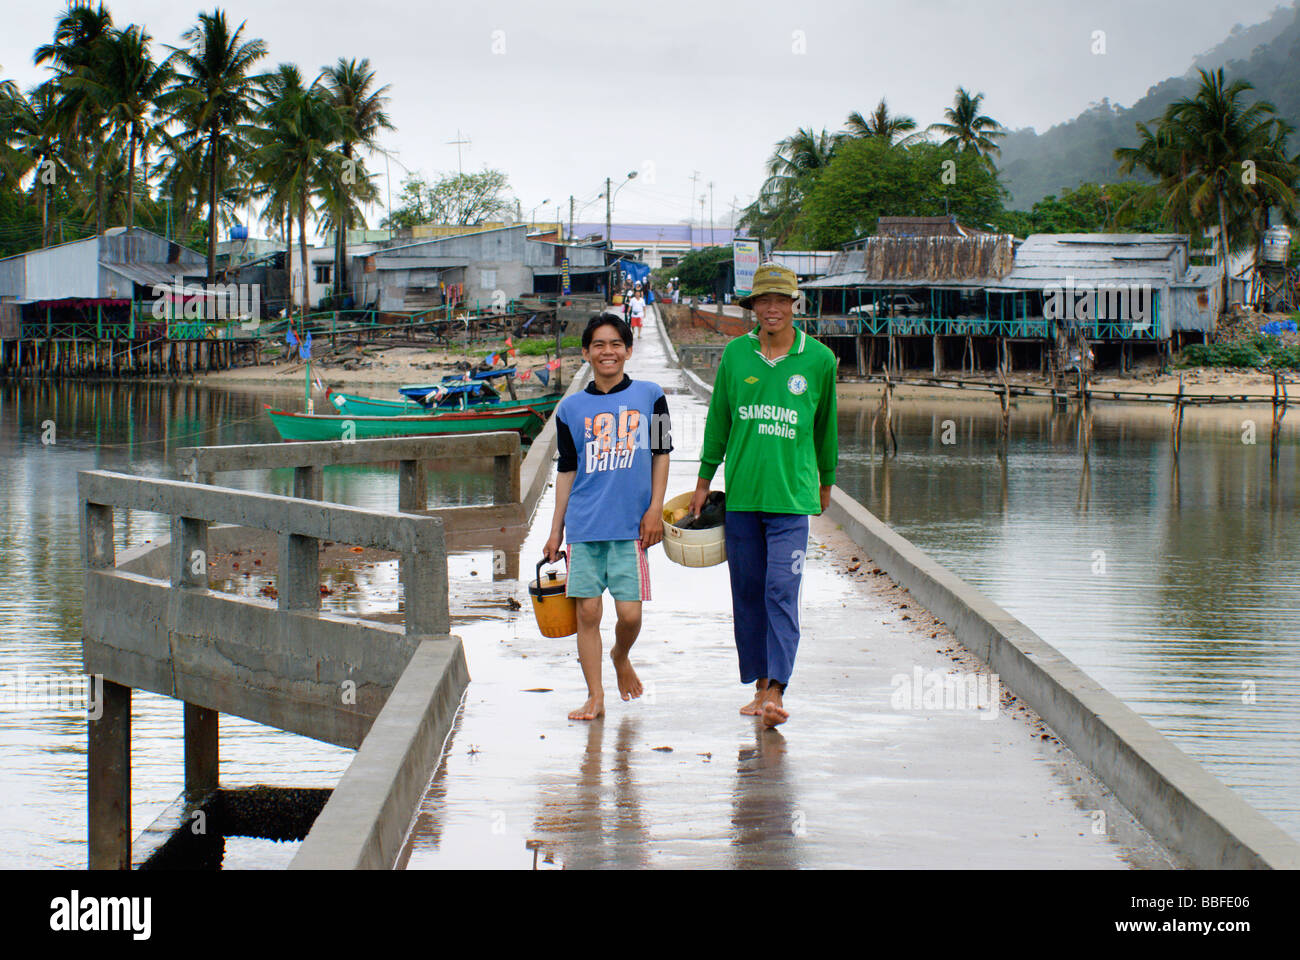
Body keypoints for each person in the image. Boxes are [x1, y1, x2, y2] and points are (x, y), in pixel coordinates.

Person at [691, 262, 837, 728]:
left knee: (781, 590)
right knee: (748, 593)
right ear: (752, 307)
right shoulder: (735, 355)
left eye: (781, 301)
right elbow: (719, 421)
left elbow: (826, 426)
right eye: (763, 301)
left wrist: (826, 480)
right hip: (742, 499)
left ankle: (777, 687)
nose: (772, 309)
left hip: (791, 500)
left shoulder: (819, 360)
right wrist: (703, 480)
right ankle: (758, 685)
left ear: (794, 305)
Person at [545, 313, 673, 720]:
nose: (607, 352)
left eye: (616, 344)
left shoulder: (652, 396)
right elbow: (566, 470)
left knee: (629, 614)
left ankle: (620, 654)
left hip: (631, 526)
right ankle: (595, 695)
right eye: (598, 345)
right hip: (585, 525)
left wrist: (656, 509)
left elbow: (661, 453)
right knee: (587, 612)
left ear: (628, 351)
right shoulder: (570, 409)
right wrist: (555, 531)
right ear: (586, 353)